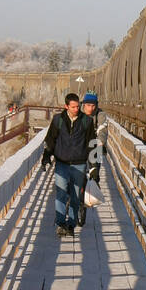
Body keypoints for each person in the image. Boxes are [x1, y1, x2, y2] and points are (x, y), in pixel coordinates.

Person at [41, 93, 96, 237]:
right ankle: (60, 224)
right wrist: (46, 157)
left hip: (79, 164)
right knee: (61, 193)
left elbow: (93, 145)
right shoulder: (58, 120)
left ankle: (71, 225)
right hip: (62, 163)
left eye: (78, 106)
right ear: (66, 106)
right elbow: (50, 140)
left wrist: (94, 166)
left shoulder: (87, 121)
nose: (77, 109)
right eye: (73, 107)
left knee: (76, 196)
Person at [77, 92, 101, 229]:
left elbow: (97, 140)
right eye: (88, 105)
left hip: (91, 149)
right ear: (83, 105)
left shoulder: (99, 117)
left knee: (93, 174)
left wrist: (94, 168)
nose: (90, 108)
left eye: (93, 106)